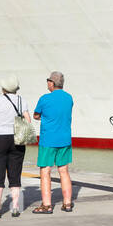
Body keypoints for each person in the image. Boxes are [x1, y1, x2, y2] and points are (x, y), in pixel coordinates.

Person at [31, 71, 75, 213]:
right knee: (64, 171)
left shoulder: (44, 99)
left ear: (52, 83)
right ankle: (67, 203)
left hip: (48, 140)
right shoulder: (69, 98)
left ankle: (47, 205)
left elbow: (36, 115)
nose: (47, 83)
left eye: (48, 81)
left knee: (45, 171)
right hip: (65, 139)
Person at [0, 75, 28, 218]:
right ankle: (15, 207)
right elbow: (27, 120)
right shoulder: (22, 101)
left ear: (3, 88)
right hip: (17, 138)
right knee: (15, 173)